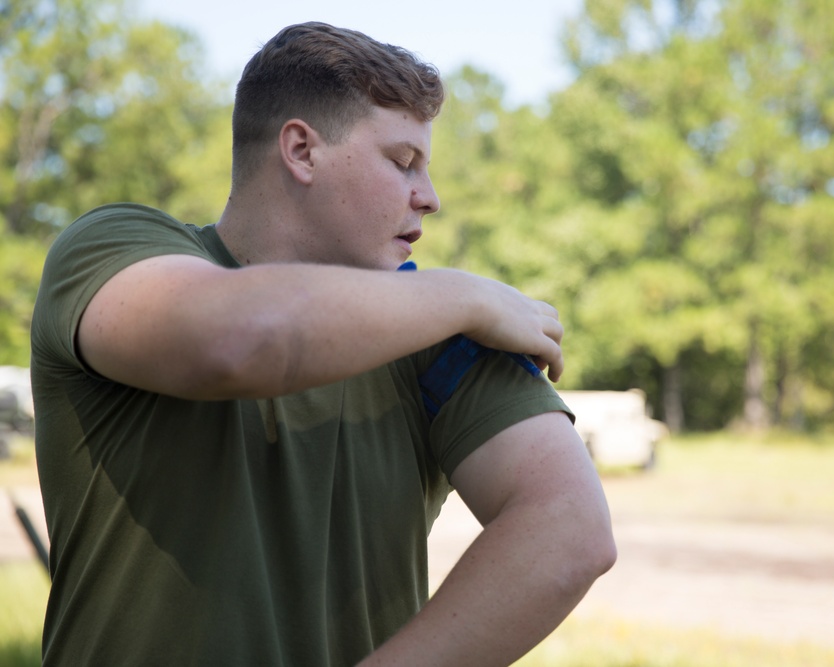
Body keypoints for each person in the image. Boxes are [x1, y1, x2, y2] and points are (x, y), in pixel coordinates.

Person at [30, 21, 615, 667]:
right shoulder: (113, 247)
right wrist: (463, 295)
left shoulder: (436, 333)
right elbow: (238, 340)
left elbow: (570, 530)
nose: (431, 196)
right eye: (403, 161)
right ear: (302, 151)